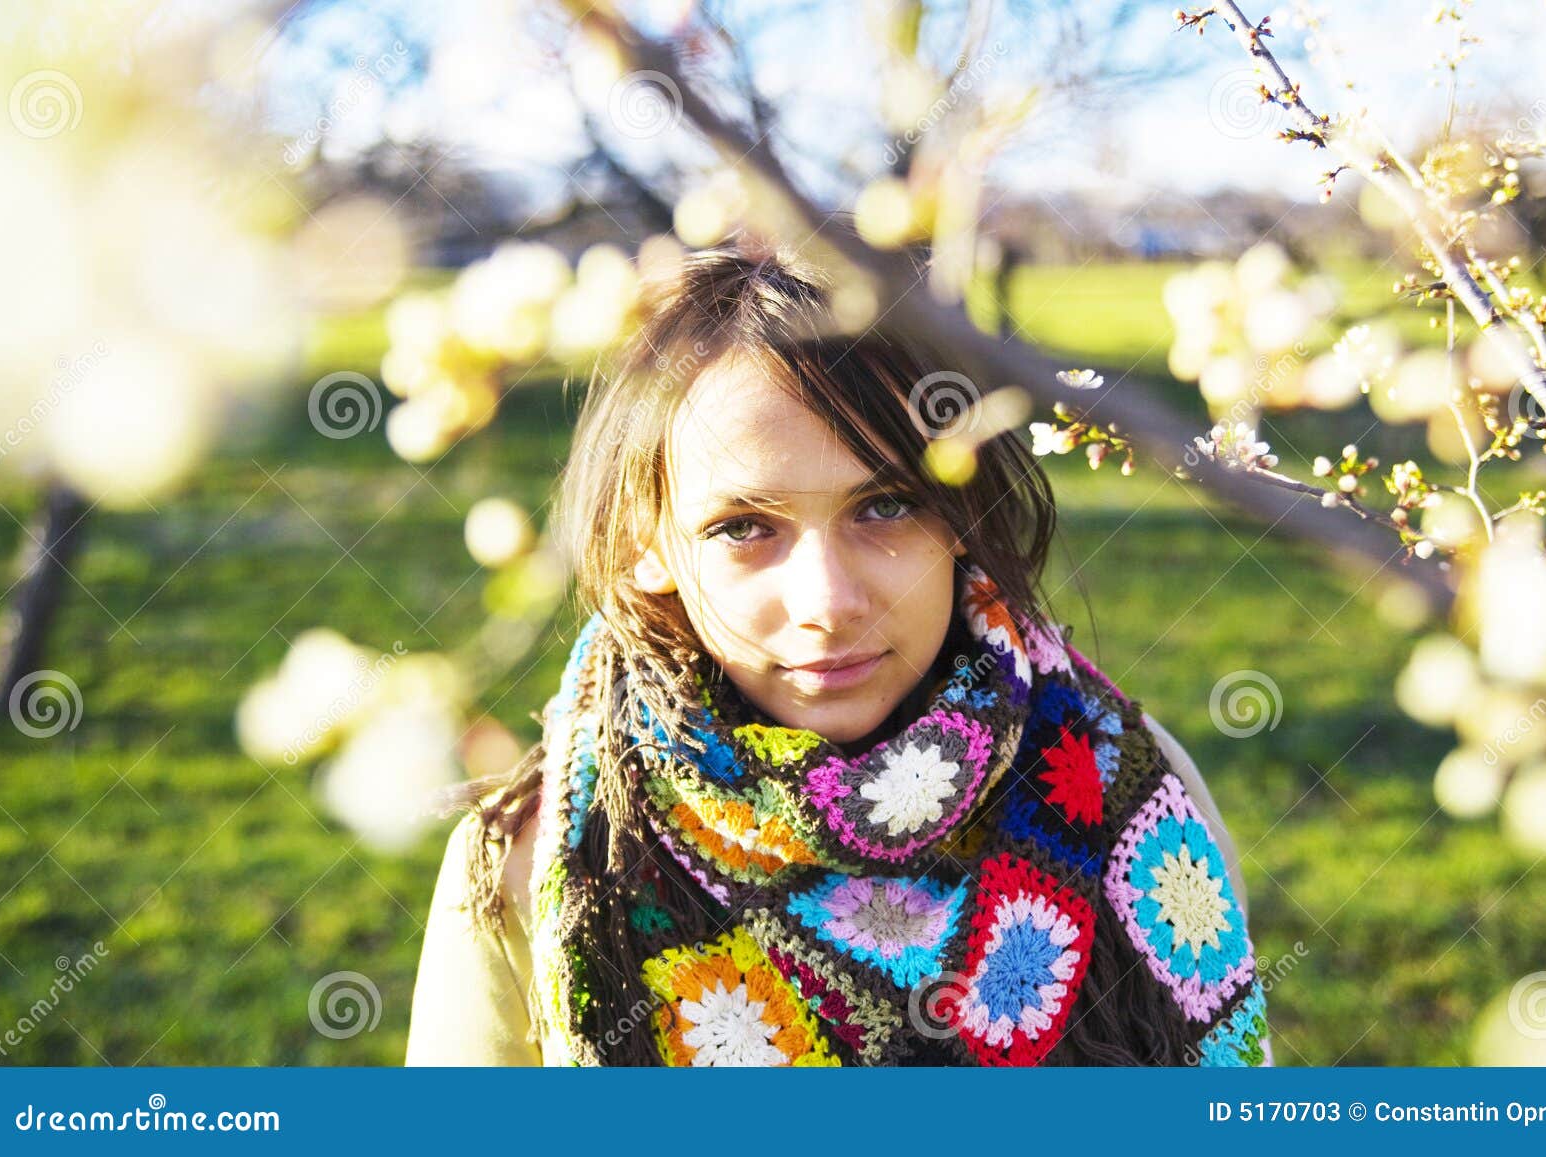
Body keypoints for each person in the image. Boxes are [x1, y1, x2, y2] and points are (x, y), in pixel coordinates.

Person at [406, 240, 1270, 1067]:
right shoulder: (532, 865)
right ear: (648, 542)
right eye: (743, 527)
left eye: (885, 506)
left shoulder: (1135, 800)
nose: (827, 603)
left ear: (961, 516)